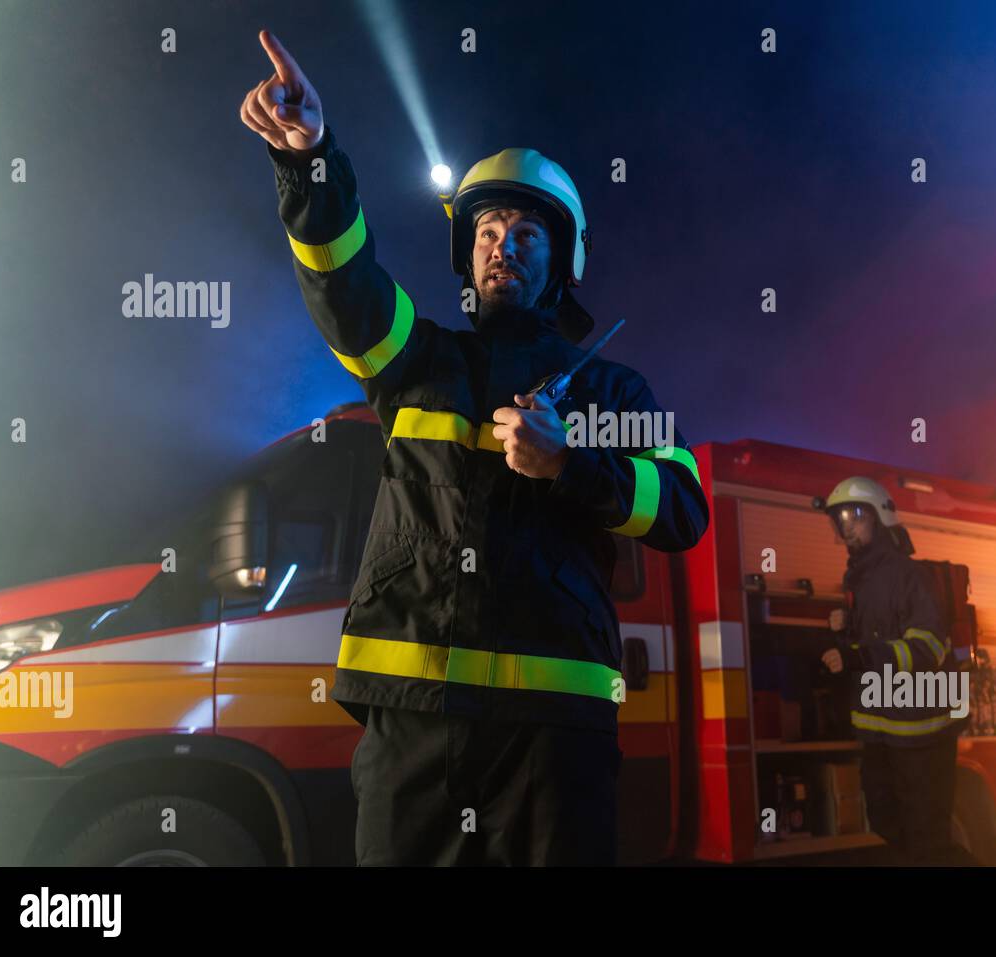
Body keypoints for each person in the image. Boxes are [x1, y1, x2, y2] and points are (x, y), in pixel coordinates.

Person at [239, 30, 708, 865]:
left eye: (529, 232)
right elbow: (343, 284)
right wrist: (311, 161)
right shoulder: (414, 359)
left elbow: (682, 509)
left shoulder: (611, 393)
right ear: (469, 251)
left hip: (555, 736)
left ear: (561, 263)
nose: (504, 242)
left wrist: (572, 463)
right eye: (489, 227)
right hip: (414, 720)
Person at [820, 476, 967, 864]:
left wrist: (860, 656)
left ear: (879, 517)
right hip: (882, 728)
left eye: (854, 514)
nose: (846, 524)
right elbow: (877, 636)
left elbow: (926, 647)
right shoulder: (859, 580)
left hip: (922, 730)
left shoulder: (908, 575)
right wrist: (847, 629)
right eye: (839, 518)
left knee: (927, 842)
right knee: (887, 823)